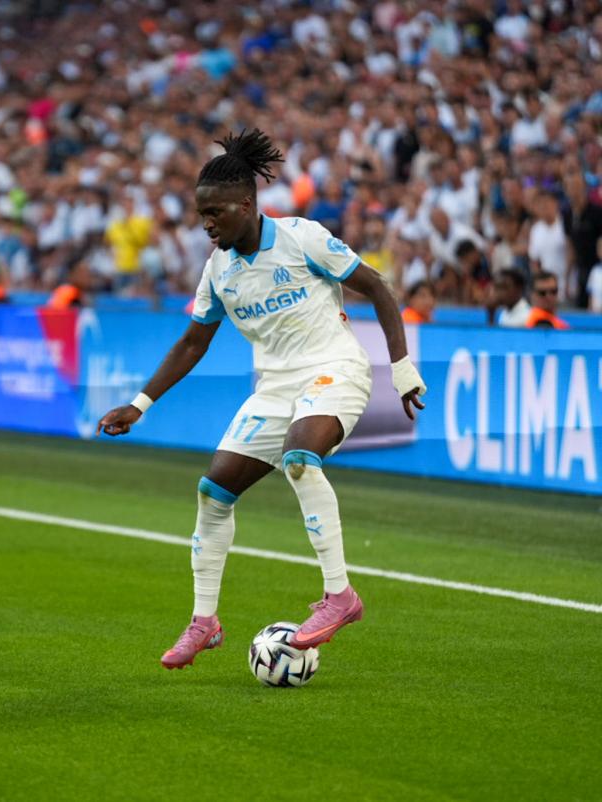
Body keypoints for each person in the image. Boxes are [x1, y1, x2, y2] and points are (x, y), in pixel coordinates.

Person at [96, 130, 425, 669]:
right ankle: (205, 622)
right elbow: (193, 341)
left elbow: (379, 287)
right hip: (274, 388)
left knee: (300, 459)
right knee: (213, 491)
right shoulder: (219, 270)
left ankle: (341, 597)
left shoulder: (302, 238)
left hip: (334, 369)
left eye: (215, 213)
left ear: (247, 205)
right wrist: (140, 404)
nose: (207, 224)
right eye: (201, 214)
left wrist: (402, 367)